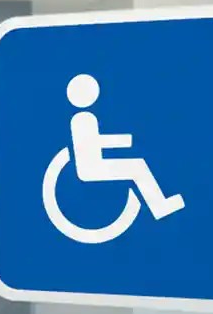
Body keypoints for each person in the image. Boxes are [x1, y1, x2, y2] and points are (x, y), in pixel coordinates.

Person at [67, 73, 185, 219]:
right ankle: (159, 206)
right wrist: (123, 140)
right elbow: (92, 144)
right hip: (93, 168)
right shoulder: (84, 119)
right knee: (137, 166)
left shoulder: (83, 118)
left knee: (137, 165)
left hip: (96, 164)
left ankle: (159, 204)